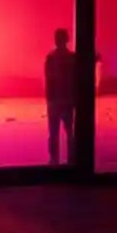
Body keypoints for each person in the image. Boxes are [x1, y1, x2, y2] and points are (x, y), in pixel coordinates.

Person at [44, 28, 76, 165]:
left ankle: (54, 159)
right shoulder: (71, 58)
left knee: (54, 132)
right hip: (66, 99)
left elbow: (49, 80)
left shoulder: (51, 58)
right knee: (69, 131)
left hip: (56, 100)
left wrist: (49, 99)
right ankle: (71, 159)